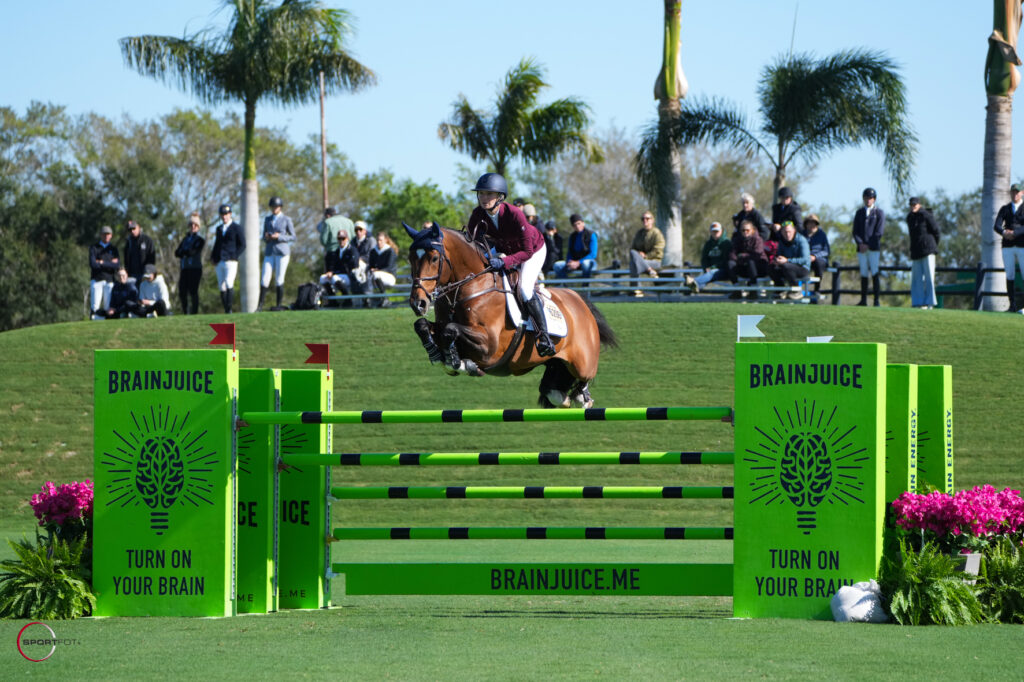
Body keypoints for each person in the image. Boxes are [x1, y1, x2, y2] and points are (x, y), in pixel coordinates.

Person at [465, 172, 554, 357]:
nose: (484, 198)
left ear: (500, 197)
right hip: (506, 249)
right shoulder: (477, 214)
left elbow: (527, 252)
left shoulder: (515, 214)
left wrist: (504, 261)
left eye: (489, 194)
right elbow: (470, 242)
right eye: (481, 194)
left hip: (533, 250)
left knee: (524, 289)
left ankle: (544, 336)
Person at [260, 196, 295, 311]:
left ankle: (278, 304)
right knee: (265, 278)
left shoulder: (286, 219)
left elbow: (293, 236)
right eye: (272, 207)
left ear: (280, 207)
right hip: (270, 251)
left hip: (282, 252)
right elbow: (263, 236)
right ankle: (260, 305)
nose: (274, 209)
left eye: (276, 207)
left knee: (279, 279)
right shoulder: (267, 219)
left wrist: (279, 236)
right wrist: (267, 237)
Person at [993, 182, 1024, 310]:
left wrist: (1015, 233)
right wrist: (1005, 232)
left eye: (1017, 192)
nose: (1015, 194)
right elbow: (997, 225)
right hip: (1008, 245)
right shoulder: (1005, 208)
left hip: (1022, 245)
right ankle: (1012, 304)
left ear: (1022, 193)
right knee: (1009, 274)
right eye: (1013, 192)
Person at [852, 187, 885, 306]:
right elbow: (855, 231)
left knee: (875, 272)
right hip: (861, 249)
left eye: (870, 198)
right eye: (866, 198)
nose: (868, 200)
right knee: (864, 273)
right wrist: (860, 243)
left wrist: (868, 244)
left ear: (874, 199)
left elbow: (879, 232)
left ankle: (876, 300)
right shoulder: (859, 212)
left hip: (873, 248)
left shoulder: (879, 213)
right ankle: (863, 300)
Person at [907, 197, 941, 309]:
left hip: (928, 250)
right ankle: (918, 302)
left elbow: (936, 230)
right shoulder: (910, 217)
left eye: (915, 204)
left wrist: (933, 245)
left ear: (919, 204)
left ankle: (930, 302)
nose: (913, 206)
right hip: (916, 251)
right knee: (916, 279)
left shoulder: (926, 215)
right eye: (911, 205)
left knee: (929, 278)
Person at [211, 203, 245, 314]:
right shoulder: (219, 229)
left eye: (226, 214)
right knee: (221, 285)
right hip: (220, 260)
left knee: (229, 282)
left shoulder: (236, 228)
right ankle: (226, 308)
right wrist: (213, 257)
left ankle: (229, 308)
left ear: (230, 214)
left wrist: (235, 255)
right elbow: (217, 244)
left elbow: (242, 244)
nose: (224, 216)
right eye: (222, 214)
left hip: (231, 260)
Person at [769, 221, 811, 299]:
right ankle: (780, 290)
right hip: (787, 267)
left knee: (787, 266)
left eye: (789, 232)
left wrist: (787, 260)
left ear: (794, 230)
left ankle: (796, 290)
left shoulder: (802, 240)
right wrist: (777, 260)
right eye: (785, 232)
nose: (787, 234)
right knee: (771, 266)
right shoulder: (781, 241)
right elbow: (780, 255)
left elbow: (805, 260)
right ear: (781, 232)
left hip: (802, 268)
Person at [726, 219, 768, 298]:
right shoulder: (737, 240)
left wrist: (742, 256)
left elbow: (757, 255)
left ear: (752, 230)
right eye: (743, 230)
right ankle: (736, 288)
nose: (745, 232)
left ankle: (753, 289)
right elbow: (732, 254)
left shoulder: (758, 239)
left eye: (747, 230)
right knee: (730, 263)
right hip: (744, 266)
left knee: (751, 262)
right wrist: (740, 258)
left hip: (759, 268)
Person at [627, 210, 665, 296]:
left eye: (647, 218)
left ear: (652, 220)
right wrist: (639, 255)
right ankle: (649, 270)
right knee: (633, 255)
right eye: (643, 219)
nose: (645, 220)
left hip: (655, 262)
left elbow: (658, 250)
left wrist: (646, 256)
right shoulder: (639, 233)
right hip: (643, 262)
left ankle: (636, 289)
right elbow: (633, 248)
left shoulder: (656, 233)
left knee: (633, 264)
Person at [174, 212, 205, 315]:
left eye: (195, 225)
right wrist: (185, 252)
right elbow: (177, 252)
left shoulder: (200, 240)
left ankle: (194, 312)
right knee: (182, 291)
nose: (193, 226)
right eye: (191, 224)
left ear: (198, 227)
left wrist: (185, 252)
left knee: (193, 291)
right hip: (185, 268)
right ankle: (185, 311)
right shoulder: (185, 239)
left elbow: (193, 252)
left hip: (195, 268)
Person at [687, 222, 731, 292]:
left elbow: (727, 260)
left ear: (721, 231)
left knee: (712, 273)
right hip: (710, 271)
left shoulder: (726, 243)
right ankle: (690, 288)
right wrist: (706, 267)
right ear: (710, 231)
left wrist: (712, 267)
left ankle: (692, 282)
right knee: (697, 286)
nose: (715, 233)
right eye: (713, 231)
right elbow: (704, 259)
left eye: (717, 231)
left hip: (724, 270)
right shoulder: (708, 244)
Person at [319, 228, 360, 304]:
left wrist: (334, 273)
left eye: (343, 238)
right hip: (338, 276)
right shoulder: (336, 252)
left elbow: (354, 265)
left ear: (347, 239)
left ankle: (347, 298)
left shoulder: (352, 250)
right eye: (339, 239)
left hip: (349, 276)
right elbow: (332, 265)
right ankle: (333, 301)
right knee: (322, 278)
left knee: (335, 278)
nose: (341, 241)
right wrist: (330, 272)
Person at [552, 214, 598, 279]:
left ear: (583, 223)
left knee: (586, 263)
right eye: (574, 225)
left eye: (578, 223)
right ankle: (565, 286)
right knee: (557, 265)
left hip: (588, 262)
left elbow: (593, 254)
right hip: (574, 262)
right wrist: (570, 262)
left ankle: (585, 287)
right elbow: (569, 252)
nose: (577, 226)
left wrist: (579, 262)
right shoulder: (572, 236)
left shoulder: (591, 234)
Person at [89, 225, 119, 319]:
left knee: (107, 307)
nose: (106, 236)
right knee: (95, 306)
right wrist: (109, 263)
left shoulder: (113, 249)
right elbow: (93, 264)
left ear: (111, 235)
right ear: (101, 235)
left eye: (108, 234)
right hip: (97, 279)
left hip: (109, 280)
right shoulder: (94, 248)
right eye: (104, 234)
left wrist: (101, 262)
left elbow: (116, 265)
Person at [801, 214, 830, 300]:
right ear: (806, 224)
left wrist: (815, 256)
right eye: (810, 223)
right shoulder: (801, 234)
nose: (812, 225)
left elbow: (826, 251)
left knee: (819, 264)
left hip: (818, 259)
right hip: (805, 258)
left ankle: (817, 289)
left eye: (814, 223)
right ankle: (797, 291)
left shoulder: (822, 234)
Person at [368, 231, 399, 307]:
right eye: (377, 240)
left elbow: (389, 267)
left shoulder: (390, 251)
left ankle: (385, 298)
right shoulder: (373, 251)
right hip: (376, 277)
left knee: (376, 274)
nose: (379, 242)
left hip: (390, 276)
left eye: (381, 240)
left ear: (386, 240)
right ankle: (367, 300)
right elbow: (370, 265)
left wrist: (377, 270)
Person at [317, 207, 352, 272]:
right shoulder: (349, 221)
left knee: (330, 277)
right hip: (349, 252)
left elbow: (323, 240)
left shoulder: (327, 222)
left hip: (332, 253)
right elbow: (353, 237)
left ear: (327, 215)